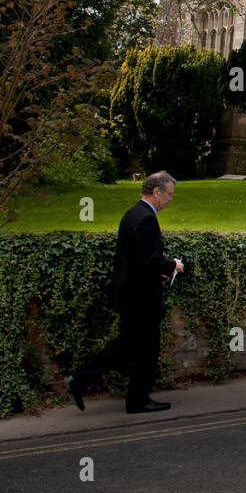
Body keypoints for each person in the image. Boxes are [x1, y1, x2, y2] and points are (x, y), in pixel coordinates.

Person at [67, 172, 184, 414]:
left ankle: (83, 381)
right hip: (141, 297)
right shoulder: (145, 218)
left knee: (129, 346)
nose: (171, 199)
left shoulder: (133, 214)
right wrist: (172, 265)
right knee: (145, 349)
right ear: (156, 192)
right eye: (169, 194)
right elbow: (150, 260)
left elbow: (137, 259)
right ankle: (133, 399)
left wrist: (160, 268)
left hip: (130, 293)